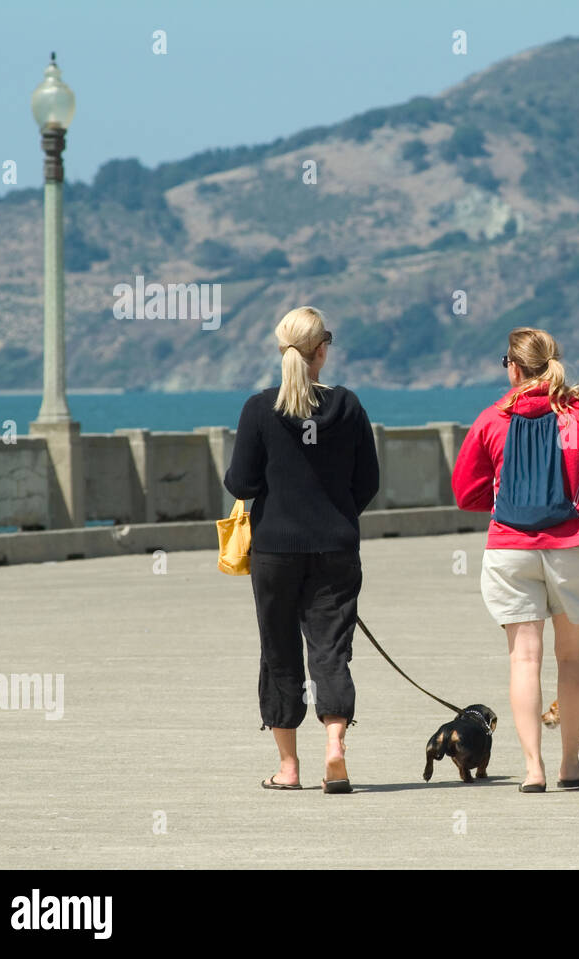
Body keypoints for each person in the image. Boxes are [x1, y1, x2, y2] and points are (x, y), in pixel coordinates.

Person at [451, 327, 579, 792]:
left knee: (524, 660)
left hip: (509, 548)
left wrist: (504, 499)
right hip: (574, 549)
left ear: (513, 368)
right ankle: (569, 767)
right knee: (573, 658)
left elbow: (464, 490)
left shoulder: (491, 420)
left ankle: (533, 769)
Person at [224, 306, 380, 794]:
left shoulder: (258, 409)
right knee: (331, 649)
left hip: (274, 552)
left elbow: (241, 482)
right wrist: (335, 513)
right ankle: (334, 748)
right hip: (335, 548)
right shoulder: (348, 406)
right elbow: (368, 482)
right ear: (321, 351)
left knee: (280, 652)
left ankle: (289, 769)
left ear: (282, 351)